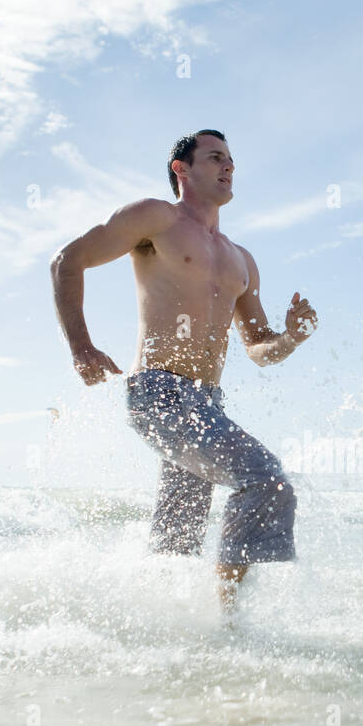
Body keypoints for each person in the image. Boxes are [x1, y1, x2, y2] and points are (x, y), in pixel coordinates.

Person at [49, 129, 317, 610]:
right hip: (159, 393)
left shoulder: (242, 259)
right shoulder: (157, 218)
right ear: (182, 169)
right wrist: (80, 346)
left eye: (231, 159)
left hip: (206, 404)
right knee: (266, 479)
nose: (228, 166)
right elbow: (67, 261)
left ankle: (156, 628)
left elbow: (258, 348)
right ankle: (228, 620)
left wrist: (292, 337)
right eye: (215, 158)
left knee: (176, 544)